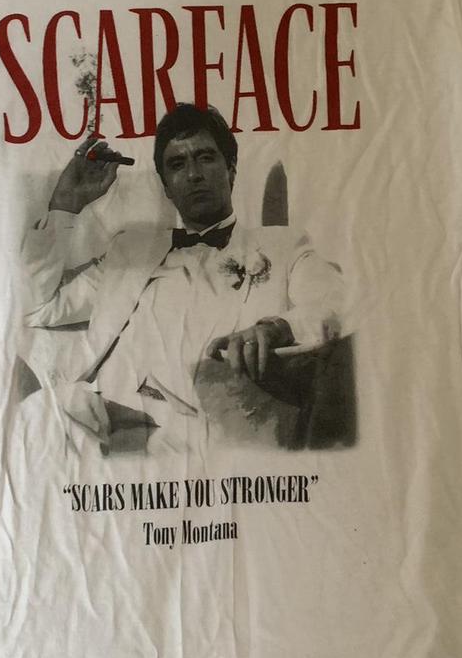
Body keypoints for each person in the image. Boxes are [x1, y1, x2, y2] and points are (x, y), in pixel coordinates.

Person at [21, 102, 346, 455]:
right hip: (93, 411)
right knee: (32, 416)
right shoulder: (129, 250)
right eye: (177, 164)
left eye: (205, 158)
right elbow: (35, 307)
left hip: (189, 432)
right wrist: (65, 205)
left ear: (231, 170)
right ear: (166, 186)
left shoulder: (281, 247)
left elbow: (337, 302)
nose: (193, 174)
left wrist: (276, 328)